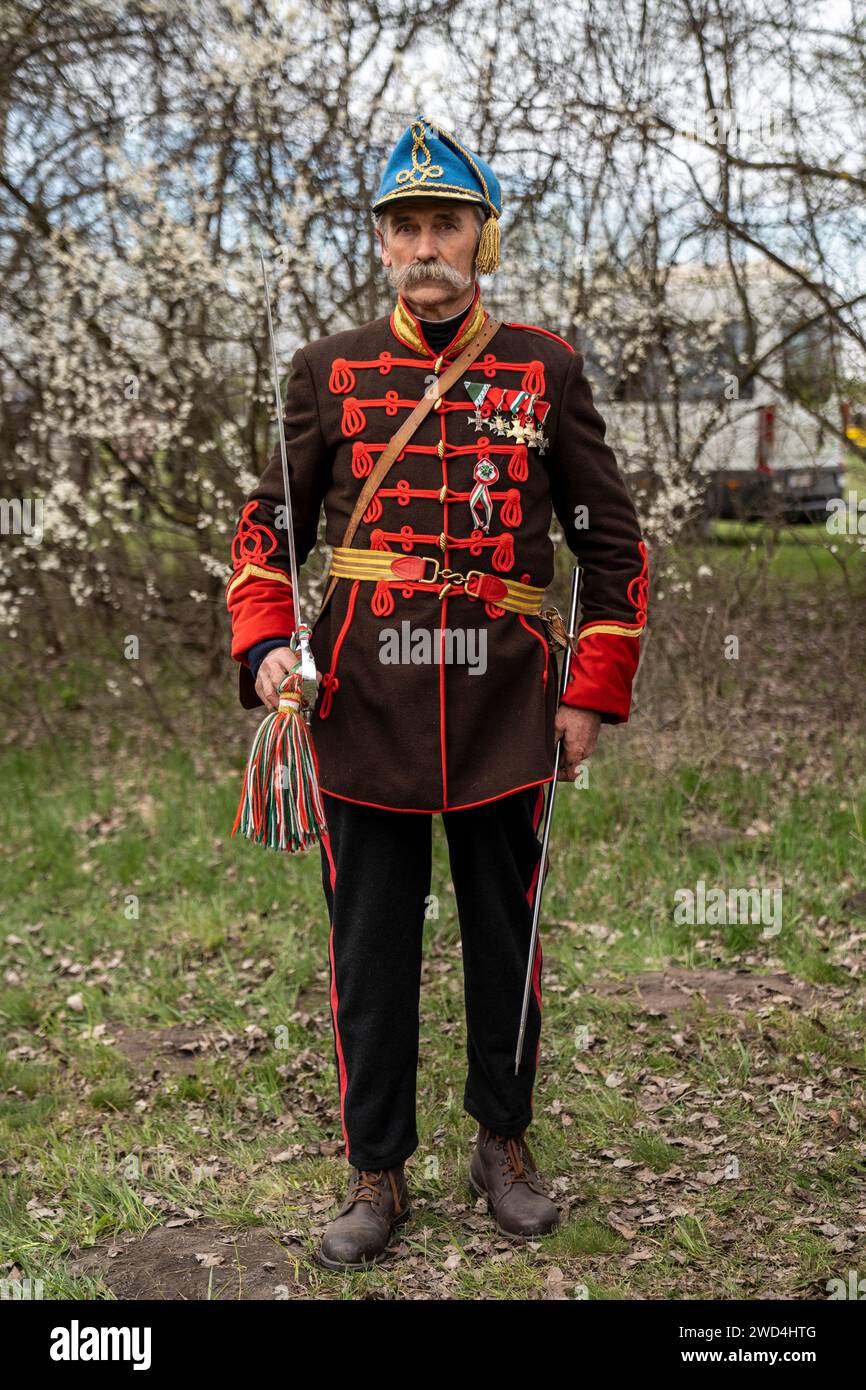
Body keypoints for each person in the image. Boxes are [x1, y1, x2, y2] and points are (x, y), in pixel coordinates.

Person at [226, 115, 649, 1270]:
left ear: (481, 236)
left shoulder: (543, 367)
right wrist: (268, 645)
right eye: (404, 226)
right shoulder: (326, 371)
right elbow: (265, 534)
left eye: (445, 224)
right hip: (362, 694)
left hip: (508, 695)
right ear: (383, 244)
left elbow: (610, 544)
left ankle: (502, 1146)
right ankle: (377, 1169)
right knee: (366, 945)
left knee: (502, 939)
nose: (425, 245)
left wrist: (590, 693)